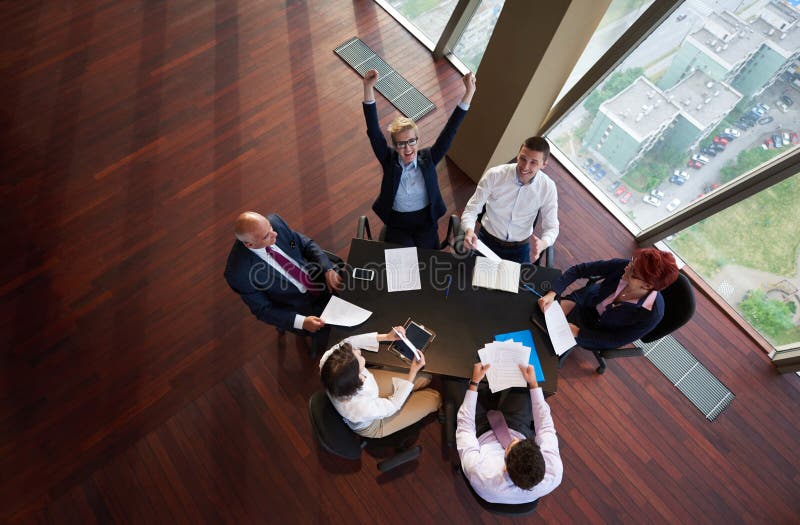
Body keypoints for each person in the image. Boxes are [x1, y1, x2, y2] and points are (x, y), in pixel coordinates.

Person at [363, 68, 477, 249]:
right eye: (401, 144)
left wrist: (469, 93)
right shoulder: (389, 160)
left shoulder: (429, 157)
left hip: (425, 221)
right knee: (403, 261)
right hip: (398, 223)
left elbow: (451, 130)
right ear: (394, 145)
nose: (408, 148)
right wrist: (368, 87)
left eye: (411, 141)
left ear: (417, 140)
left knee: (427, 261)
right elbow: (374, 132)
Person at [456, 363, 562, 504]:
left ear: (505, 468)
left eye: (510, 446)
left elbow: (465, 429)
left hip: (480, 432)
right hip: (517, 427)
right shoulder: (553, 471)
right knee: (522, 380)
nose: (512, 440)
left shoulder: (480, 474)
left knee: (455, 380)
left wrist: (474, 383)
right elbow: (545, 428)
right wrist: (534, 384)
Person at [223, 211, 342, 335]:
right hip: (298, 308)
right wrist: (302, 322)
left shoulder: (276, 223)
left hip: (320, 279)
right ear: (249, 244)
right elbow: (264, 310)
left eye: (270, 227)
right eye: (266, 236)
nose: (275, 234)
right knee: (338, 334)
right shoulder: (238, 273)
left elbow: (305, 245)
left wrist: (327, 269)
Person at [537, 248, 679, 350]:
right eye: (632, 262)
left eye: (633, 272)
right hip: (586, 303)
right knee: (539, 314)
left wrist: (579, 333)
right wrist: (552, 293)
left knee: (544, 347)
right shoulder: (624, 266)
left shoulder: (652, 314)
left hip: (597, 330)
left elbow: (616, 340)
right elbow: (579, 270)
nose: (627, 268)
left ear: (647, 285)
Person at [319, 327, 441, 438]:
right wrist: (412, 371)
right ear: (355, 376)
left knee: (425, 377)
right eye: (357, 356)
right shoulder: (359, 408)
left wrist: (386, 337)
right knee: (434, 398)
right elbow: (392, 405)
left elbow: (348, 343)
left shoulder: (328, 361)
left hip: (370, 392)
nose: (358, 351)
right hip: (373, 424)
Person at [461, 137, 559, 263]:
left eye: (533, 162)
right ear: (518, 155)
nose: (525, 166)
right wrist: (469, 230)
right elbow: (472, 209)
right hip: (487, 241)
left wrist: (543, 243)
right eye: (523, 158)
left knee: (516, 283)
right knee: (473, 279)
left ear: (544, 164)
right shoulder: (494, 175)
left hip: (519, 248)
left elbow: (552, 227)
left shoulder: (548, 188)